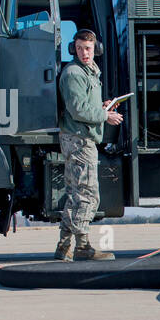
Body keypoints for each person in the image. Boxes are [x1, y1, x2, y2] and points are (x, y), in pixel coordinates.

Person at [55, 29, 123, 261]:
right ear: (74, 48)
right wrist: (106, 117)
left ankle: (64, 247)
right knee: (88, 195)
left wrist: (104, 106)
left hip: (80, 138)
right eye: (80, 48)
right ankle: (82, 247)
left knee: (75, 195)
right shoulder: (74, 73)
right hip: (79, 139)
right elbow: (79, 110)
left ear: (96, 50)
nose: (85, 53)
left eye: (89, 49)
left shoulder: (89, 72)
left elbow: (86, 103)